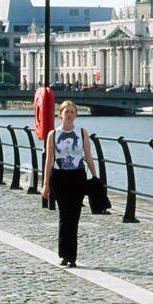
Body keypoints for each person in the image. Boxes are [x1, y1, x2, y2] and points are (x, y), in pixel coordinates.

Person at [40, 100, 97, 267]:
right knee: (64, 216)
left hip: (77, 176)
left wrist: (95, 177)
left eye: (72, 112)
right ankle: (64, 254)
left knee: (75, 216)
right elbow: (49, 160)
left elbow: (88, 155)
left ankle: (72, 256)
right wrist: (45, 184)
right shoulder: (53, 135)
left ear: (76, 115)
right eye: (67, 112)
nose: (70, 115)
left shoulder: (82, 133)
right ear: (61, 115)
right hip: (60, 177)